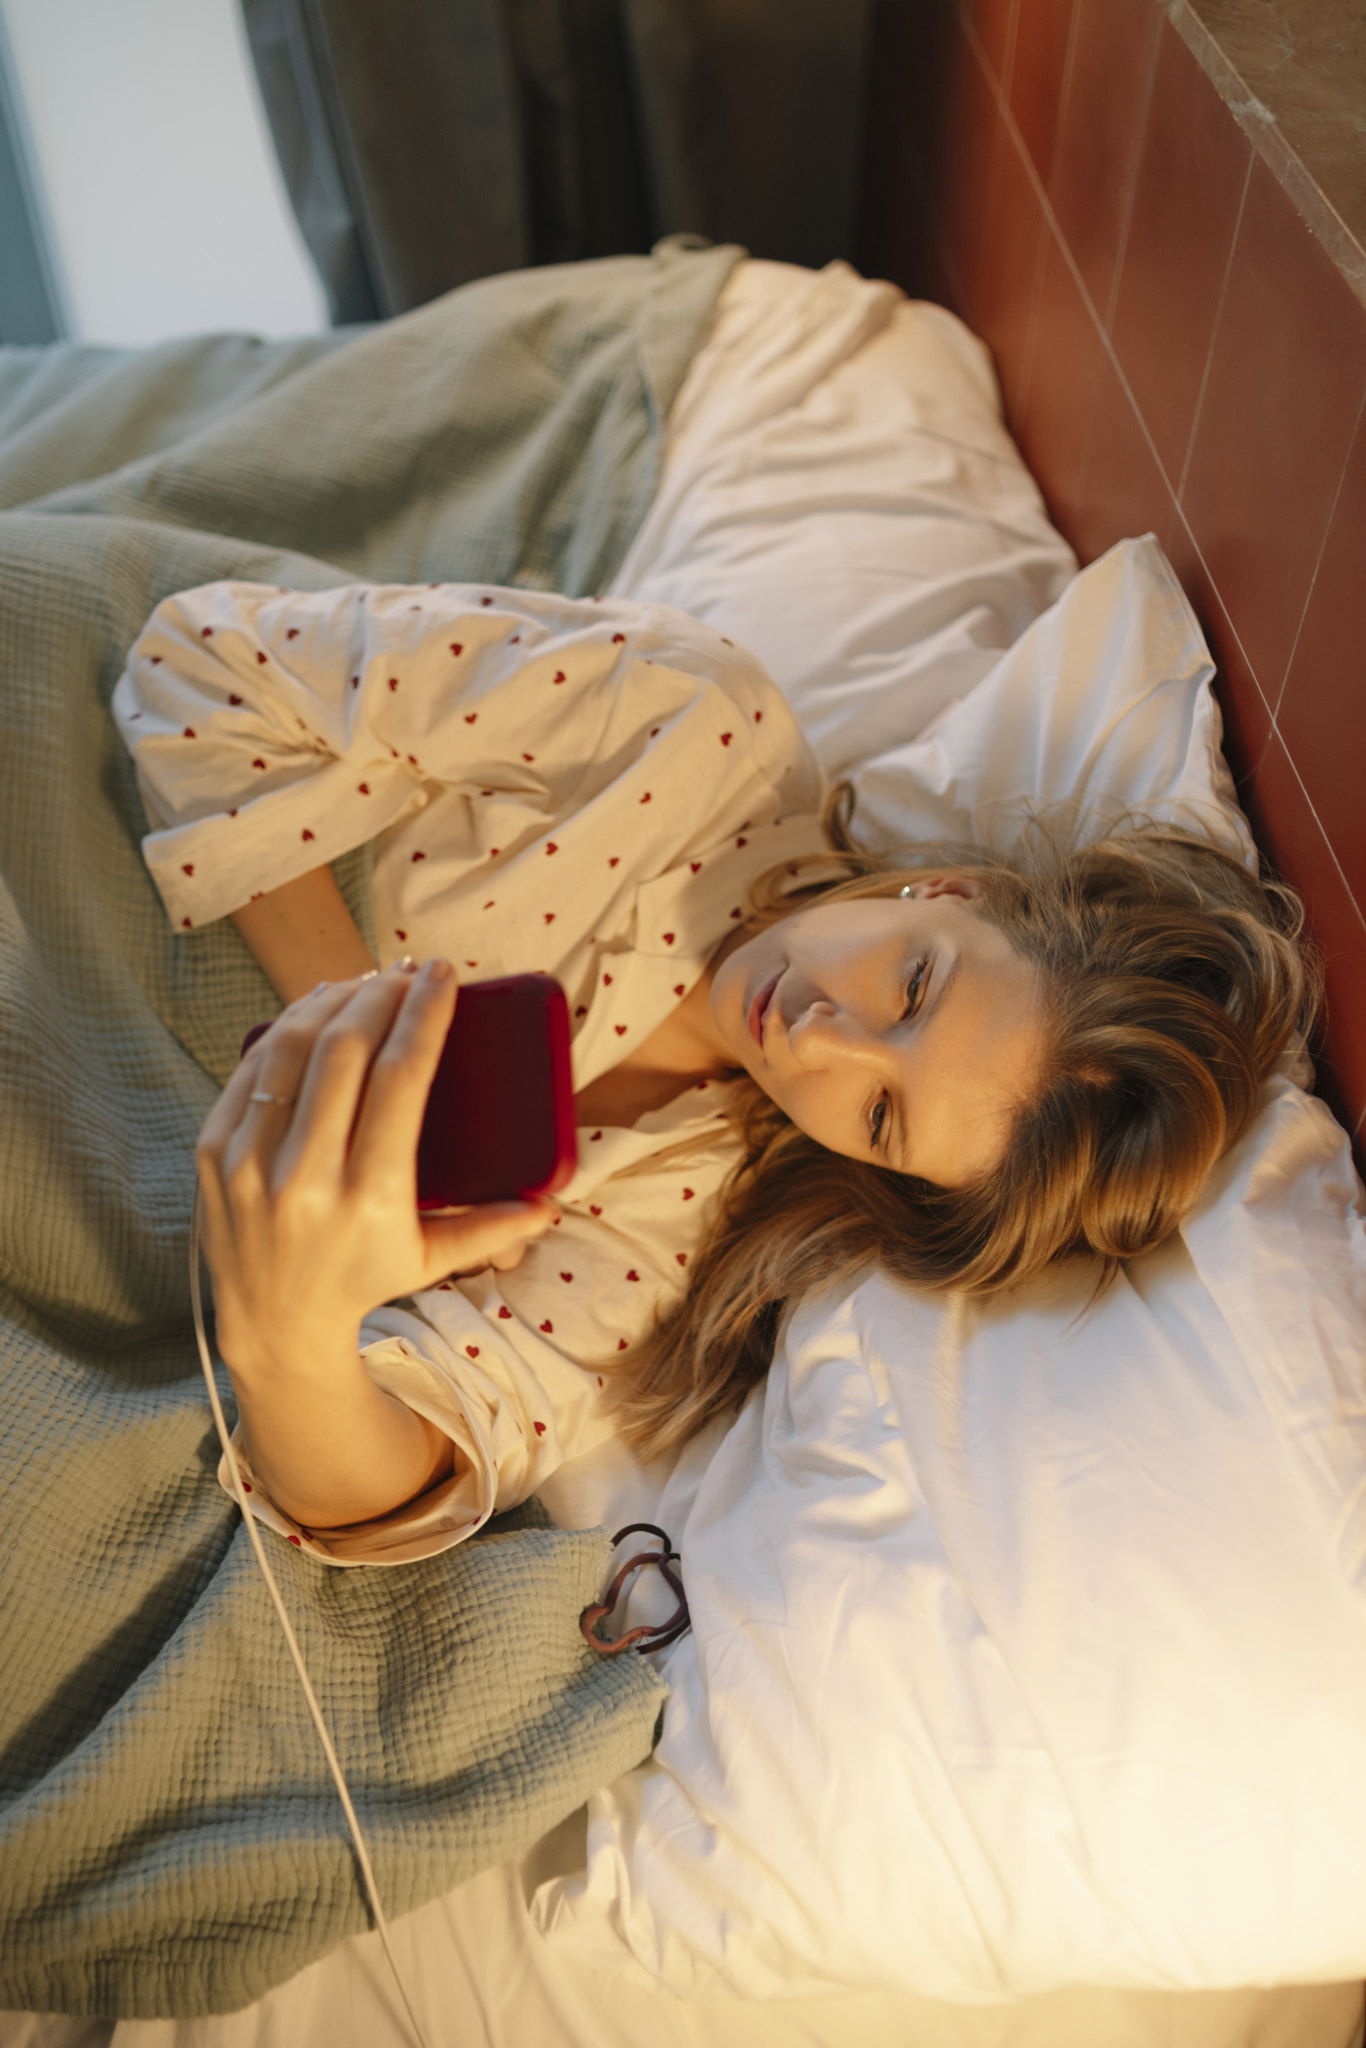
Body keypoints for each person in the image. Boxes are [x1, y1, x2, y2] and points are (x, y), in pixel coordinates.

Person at [115, 578, 1315, 1563]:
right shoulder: (685, 724)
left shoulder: (676, 1226)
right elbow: (195, 660)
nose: (817, 1036)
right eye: (913, 984)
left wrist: (295, 1338)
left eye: (883, 1111)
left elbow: (411, 1468)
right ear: (951, 892)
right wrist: (345, 1024)